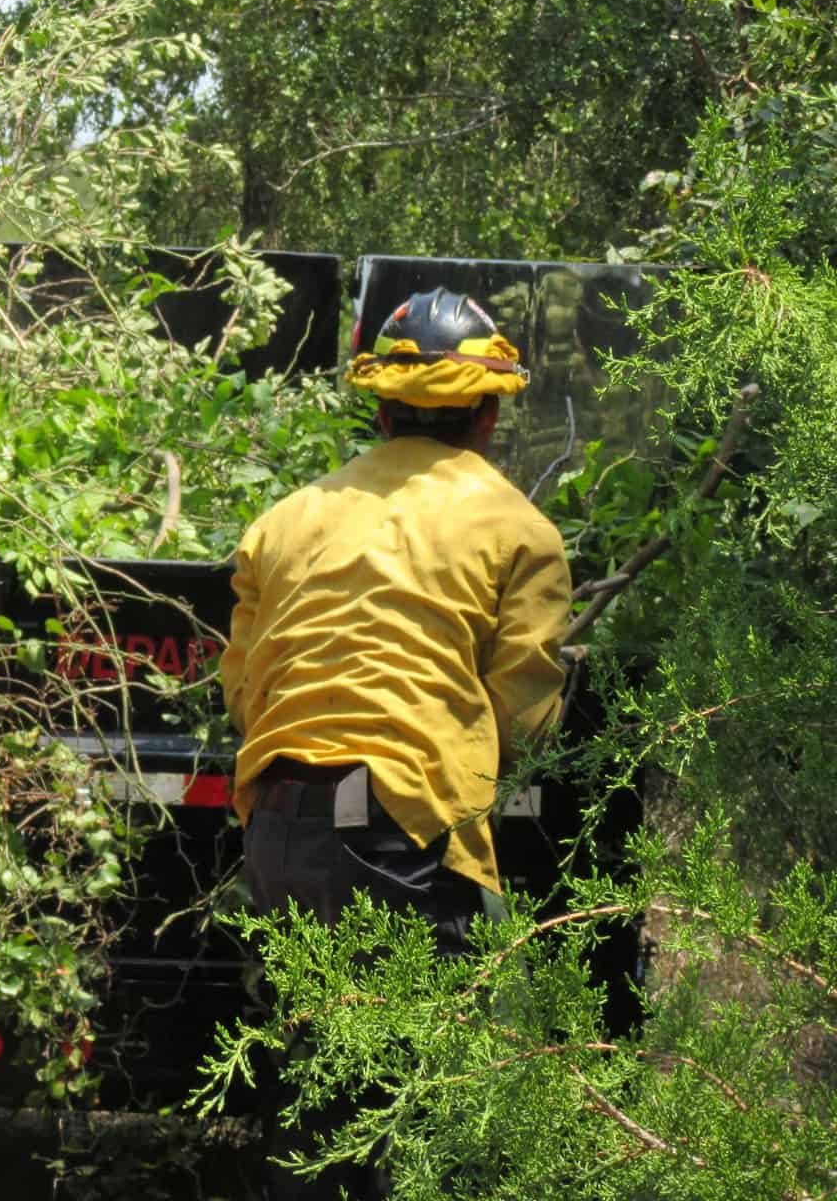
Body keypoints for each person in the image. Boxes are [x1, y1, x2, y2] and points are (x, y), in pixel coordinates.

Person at [219, 288, 572, 1199]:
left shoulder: (288, 518)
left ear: (378, 406)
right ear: (490, 414)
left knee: (318, 1094)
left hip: (279, 830)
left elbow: (244, 691)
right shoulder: (518, 529)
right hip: (399, 836)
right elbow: (524, 720)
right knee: (424, 1106)